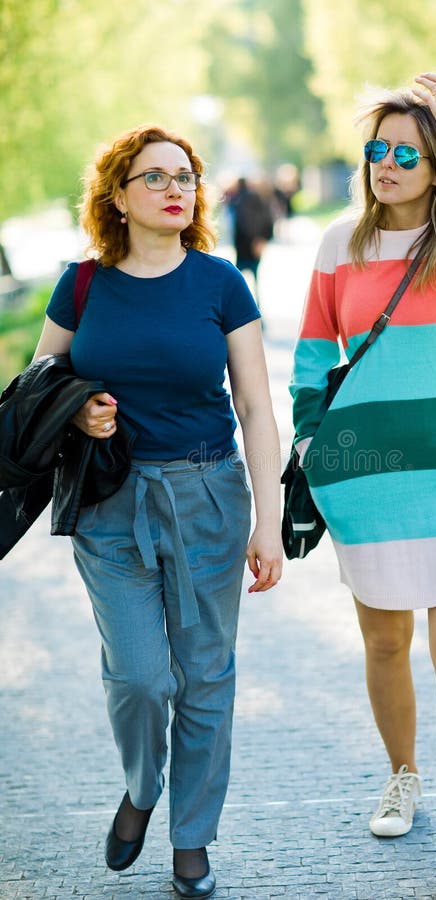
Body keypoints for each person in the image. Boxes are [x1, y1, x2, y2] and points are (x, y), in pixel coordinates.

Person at [33, 124, 283, 899]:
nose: (176, 189)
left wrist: (268, 520)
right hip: (110, 503)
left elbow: (256, 407)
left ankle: (192, 837)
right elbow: (38, 383)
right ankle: (143, 786)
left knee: (205, 675)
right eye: (155, 177)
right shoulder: (82, 284)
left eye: (186, 177)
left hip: (208, 496)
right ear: (117, 195)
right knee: (141, 677)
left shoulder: (220, 284)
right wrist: (77, 411)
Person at [289, 72, 436, 887]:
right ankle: (402, 773)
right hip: (368, 477)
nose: (386, 165)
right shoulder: (338, 245)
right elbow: (311, 356)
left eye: (407, 154)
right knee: (386, 641)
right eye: (377, 150)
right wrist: (315, 446)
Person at [229, 176, 274, 309]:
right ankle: (255, 310)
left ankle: (242, 310)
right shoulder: (257, 198)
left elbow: (246, 223)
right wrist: (262, 240)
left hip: (245, 248)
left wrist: (257, 240)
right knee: (253, 281)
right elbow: (268, 221)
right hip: (253, 247)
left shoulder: (242, 200)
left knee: (238, 282)